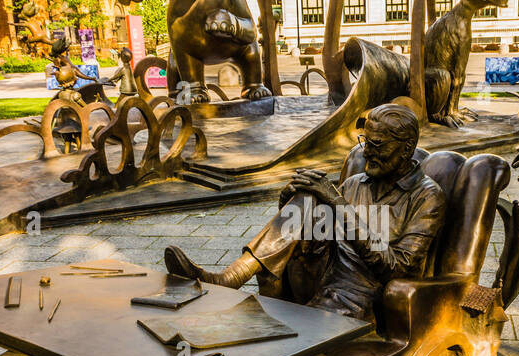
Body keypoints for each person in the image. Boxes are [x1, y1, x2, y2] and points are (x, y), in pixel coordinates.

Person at [164, 103, 447, 322]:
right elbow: (316, 229)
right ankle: (231, 277)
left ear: (406, 149)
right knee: (309, 196)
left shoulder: (426, 196)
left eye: (376, 145)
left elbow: (397, 268)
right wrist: (291, 201)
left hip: (360, 291)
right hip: (320, 272)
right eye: (365, 141)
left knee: (285, 340)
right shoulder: (355, 183)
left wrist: (337, 204)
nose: (365, 153)